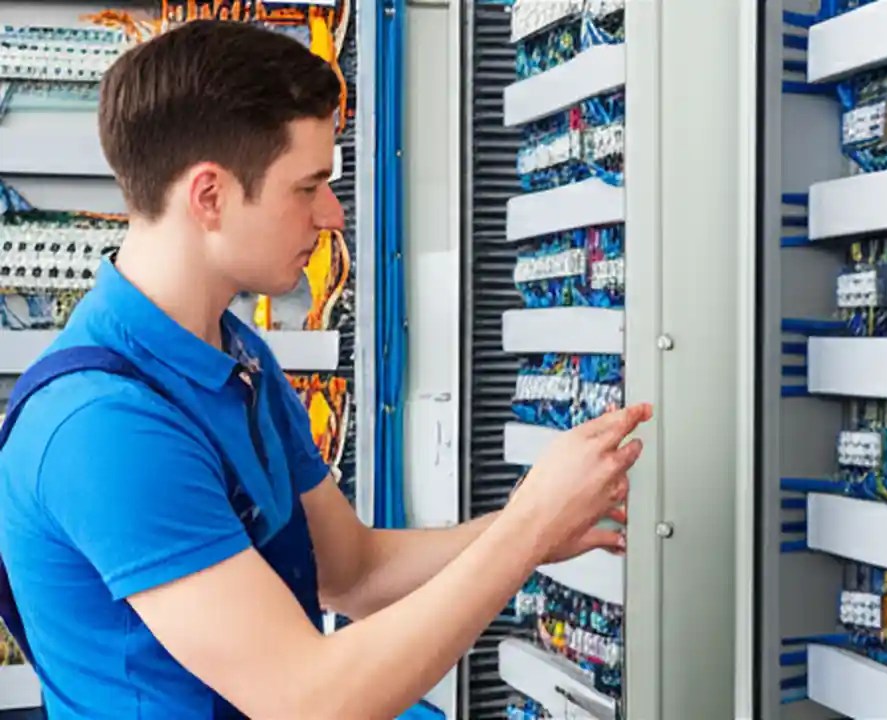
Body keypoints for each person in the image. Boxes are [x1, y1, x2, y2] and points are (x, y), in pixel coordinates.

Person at [0, 20, 650, 719]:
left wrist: (538, 523)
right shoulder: (102, 427)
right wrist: (528, 532)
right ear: (209, 196)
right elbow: (307, 700)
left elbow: (354, 571)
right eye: (307, 187)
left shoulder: (235, 358)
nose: (333, 215)